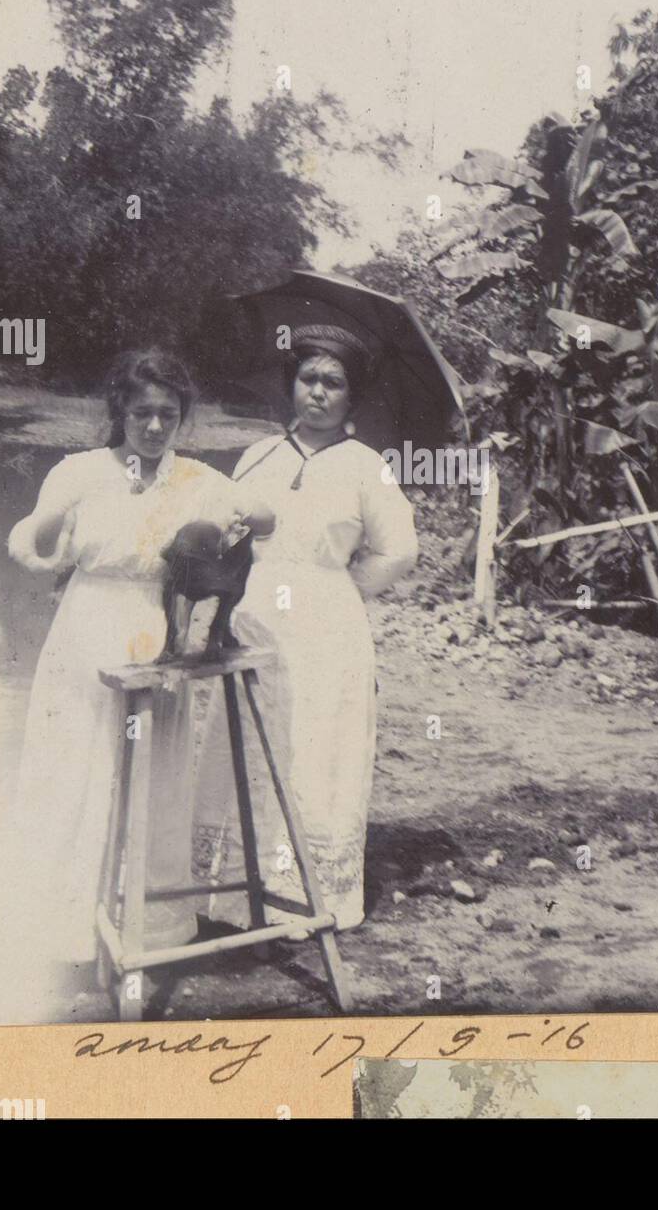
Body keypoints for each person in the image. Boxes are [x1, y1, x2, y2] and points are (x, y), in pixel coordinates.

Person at [0, 348, 274, 1017]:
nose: (153, 427)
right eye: (141, 412)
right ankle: (62, 935)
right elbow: (27, 549)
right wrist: (47, 520)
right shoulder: (79, 471)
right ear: (119, 410)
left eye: (167, 414)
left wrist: (248, 522)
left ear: (183, 417)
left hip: (155, 634)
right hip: (86, 627)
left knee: (146, 777)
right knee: (74, 770)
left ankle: (139, 932)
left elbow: (261, 517)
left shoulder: (197, 480)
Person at [193, 324, 419, 936]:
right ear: (290, 383)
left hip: (328, 629)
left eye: (334, 383)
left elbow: (399, 550)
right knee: (248, 744)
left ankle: (305, 895)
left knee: (316, 751)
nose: (317, 392)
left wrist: (340, 590)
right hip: (259, 620)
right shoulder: (259, 456)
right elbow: (227, 538)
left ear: (353, 396)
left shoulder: (366, 467)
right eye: (308, 378)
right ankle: (235, 895)